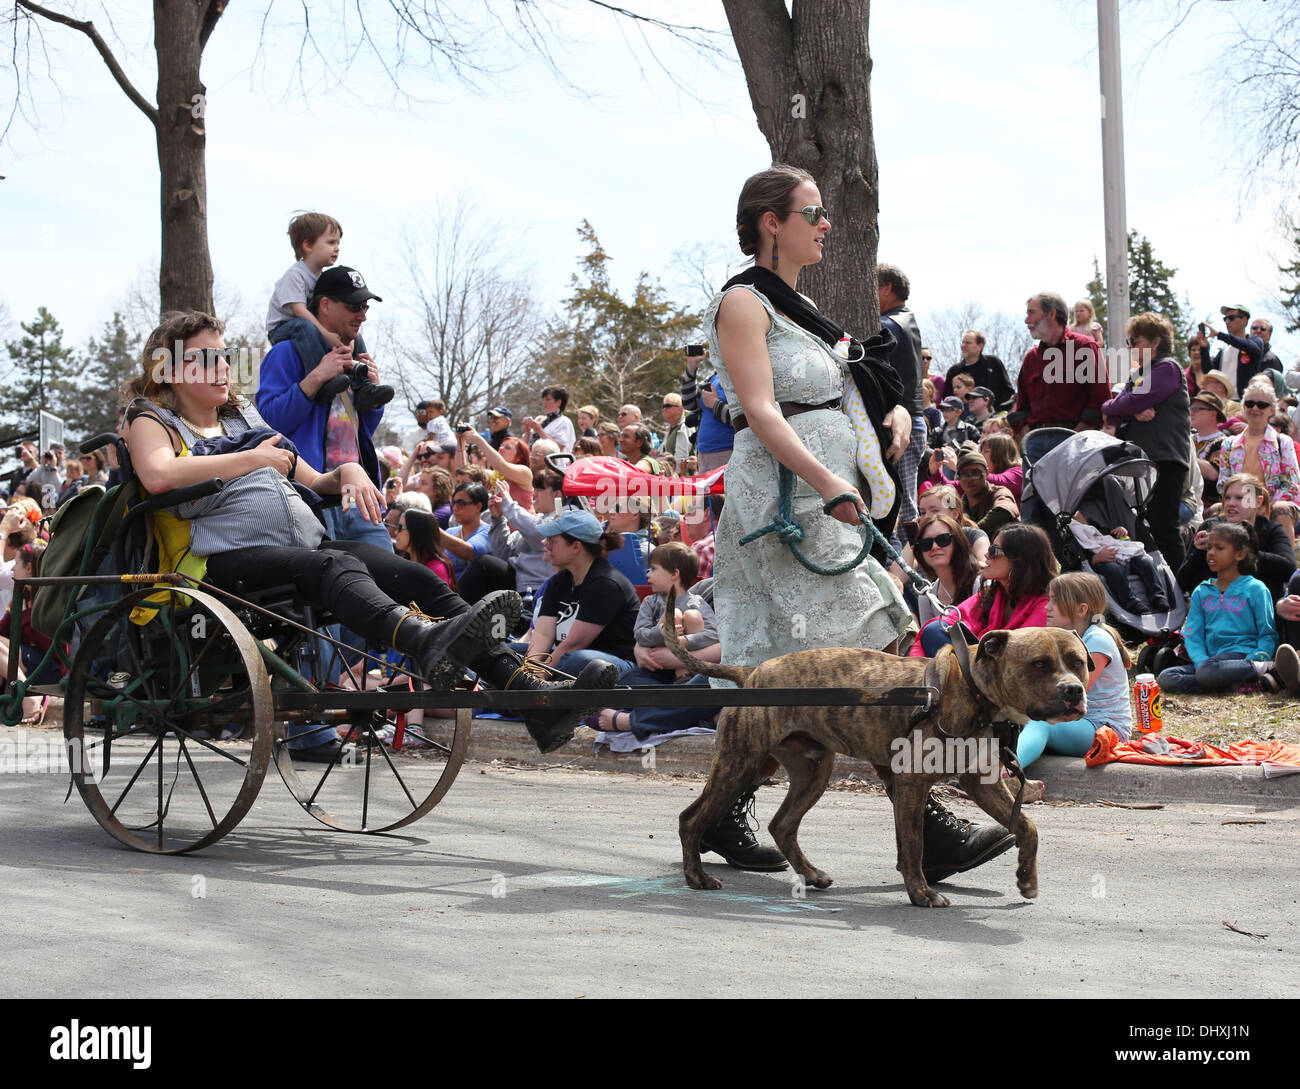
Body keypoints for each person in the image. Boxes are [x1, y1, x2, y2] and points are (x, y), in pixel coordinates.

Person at [127, 310, 615, 757]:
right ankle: (425, 643)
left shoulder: (242, 415)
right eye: (204, 359)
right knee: (335, 564)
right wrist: (255, 458)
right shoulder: (150, 417)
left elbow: (315, 480)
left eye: (225, 357)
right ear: (168, 369)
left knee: (416, 579)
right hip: (219, 562)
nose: (222, 368)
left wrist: (349, 473)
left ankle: (532, 697)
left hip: (296, 548)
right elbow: (158, 475)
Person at [709, 163, 1010, 881]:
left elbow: (849, 389)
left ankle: (728, 803)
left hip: (831, 502)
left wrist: (897, 410)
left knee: (851, 650)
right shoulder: (743, 303)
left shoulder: (805, 313)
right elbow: (761, 410)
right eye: (811, 213)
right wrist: (825, 481)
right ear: (769, 222)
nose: (826, 225)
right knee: (864, 647)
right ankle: (928, 823)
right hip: (781, 505)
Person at [256, 265, 393, 550]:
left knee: (393, 582)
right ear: (326, 305)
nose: (362, 315)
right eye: (354, 306)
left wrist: (373, 397)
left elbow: (361, 431)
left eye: (365, 307)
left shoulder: (354, 356)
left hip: (360, 498)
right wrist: (316, 377)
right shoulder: (286, 352)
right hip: (310, 500)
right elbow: (266, 423)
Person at [1101, 311, 1190, 570]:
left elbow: (1123, 402)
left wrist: (1128, 405)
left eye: (1135, 341)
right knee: (1143, 529)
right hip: (1142, 462)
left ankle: (1182, 590)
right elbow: (1113, 411)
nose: (1129, 347)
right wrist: (1129, 407)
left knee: (1164, 527)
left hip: (1165, 459)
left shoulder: (1167, 368)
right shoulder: (1138, 375)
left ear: (1155, 343)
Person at [1018, 573, 1132, 769]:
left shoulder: (1097, 640)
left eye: (1055, 600)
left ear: (1081, 609)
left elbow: (1076, 692)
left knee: (1041, 725)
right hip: (1078, 721)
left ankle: (1004, 772)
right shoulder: (1072, 639)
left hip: (1104, 728)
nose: (1047, 607)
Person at [1158, 522, 1277, 694]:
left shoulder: (1256, 589)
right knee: (1167, 677)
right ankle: (1236, 686)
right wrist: (1200, 662)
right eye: (1209, 548)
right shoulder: (1201, 591)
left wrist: (1257, 657)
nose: (1211, 553)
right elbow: (1193, 634)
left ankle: (1266, 668)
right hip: (1211, 662)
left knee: (1208, 673)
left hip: (1244, 658)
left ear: (1240, 554)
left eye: (1220, 548)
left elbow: (1267, 633)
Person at [525, 509, 641, 680]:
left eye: (552, 540)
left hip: (617, 663)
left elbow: (574, 645)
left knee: (580, 660)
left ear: (576, 547)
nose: (545, 543)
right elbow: (543, 635)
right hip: (570, 657)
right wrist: (528, 672)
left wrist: (538, 679)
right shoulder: (559, 581)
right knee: (510, 653)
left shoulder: (606, 584)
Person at [912, 522, 1058, 657]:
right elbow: (944, 623)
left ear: (1018, 560)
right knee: (934, 630)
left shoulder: (1046, 605)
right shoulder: (993, 595)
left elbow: (1018, 652)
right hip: (981, 669)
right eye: (989, 549)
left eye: (994, 551)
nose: (987, 555)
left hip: (1013, 674)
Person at [1010, 291, 1109, 464]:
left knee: (1072, 492)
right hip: (1035, 443)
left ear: (1052, 314)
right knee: (1032, 492)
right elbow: (1022, 407)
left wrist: (1075, 437)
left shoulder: (1084, 347)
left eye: (1032, 313)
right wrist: (1027, 433)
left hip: (1076, 441)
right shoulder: (1031, 358)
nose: (1027, 320)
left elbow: (1101, 399)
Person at [1179, 474, 1297, 601]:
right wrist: (1199, 551)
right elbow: (1183, 582)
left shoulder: (1270, 529)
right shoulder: (1210, 527)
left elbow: (1288, 569)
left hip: (1256, 609)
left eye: (1239, 498)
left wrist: (1238, 550)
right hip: (1214, 610)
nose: (1231, 504)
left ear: (1258, 501)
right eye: (1227, 498)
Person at [877, 263, 928, 538]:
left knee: (901, 503)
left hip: (902, 424)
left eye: (874, 286)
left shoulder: (889, 325)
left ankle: (911, 568)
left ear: (887, 288)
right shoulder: (906, 320)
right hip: (912, 422)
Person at [265, 211, 344, 347]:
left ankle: (359, 365)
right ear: (308, 245)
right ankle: (319, 367)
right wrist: (326, 335)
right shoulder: (296, 274)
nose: (337, 248)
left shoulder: (324, 278)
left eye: (338, 243)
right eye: (331, 242)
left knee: (350, 334)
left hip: (308, 327)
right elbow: (299, 311)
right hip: (282, 329)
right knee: (304, 326)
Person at [1216, 377, 1300, 504]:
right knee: (1215, 511)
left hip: (1274, 507)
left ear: (1272, 409)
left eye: (1261, 405)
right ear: (1243, 407)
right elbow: (1223, 484)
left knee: (1282, 510)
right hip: (1239, 505)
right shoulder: (1229, 444)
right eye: (1249, 404)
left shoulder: (1283, 442)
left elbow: (1292, 485)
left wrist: (1263, 506)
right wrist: (1243, 503)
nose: (1255, 408)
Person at [908, 512, 983, 627]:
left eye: (943, 539)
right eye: (926, 543)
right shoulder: (926, 597)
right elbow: (929, 641)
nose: (934, 547)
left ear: (957, 542)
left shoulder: (980, 582)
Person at [1197, 304, 1267, 397]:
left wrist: (1219, 335)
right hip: (1223, 403)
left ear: (1244, 320)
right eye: (1225, 319)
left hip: (1245, 404)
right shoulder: (1224, 351)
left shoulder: (1255, 341)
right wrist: (1204, 349)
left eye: (1231, 318)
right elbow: (1209, 371)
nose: (1227, 322)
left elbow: (1252, 348)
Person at [947, 330, 1015, 410]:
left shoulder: (993, 363)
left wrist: (997, 412)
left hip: (995, 417)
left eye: (968, 343)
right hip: (964, 419)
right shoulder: (954, 371)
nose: (963, 345)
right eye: (963, 342)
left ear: (980, 346)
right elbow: (948, 399)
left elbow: (1007, 390)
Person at [389, 507, 456, 588]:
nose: (396, 532)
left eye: (400, 528)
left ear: (416, 531)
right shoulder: (406, 560)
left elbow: (427, 601)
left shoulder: (436, 570)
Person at [956, 450, 1018, 536]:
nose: (970, 479)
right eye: (964, 474)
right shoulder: (959, 506)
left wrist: (974, 534)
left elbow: (1005, 511)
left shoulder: (999, 492)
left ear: (987, 473)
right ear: (957, 478)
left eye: (976, 473)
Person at [442, 481, 492, 580]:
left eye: (461, 503)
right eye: (454, 502)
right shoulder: (449, 532)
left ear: (478, 506)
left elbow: (468, 552)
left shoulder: (489, 532)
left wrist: (433, 529)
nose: (455, 508)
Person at [521, 387, 576, 453]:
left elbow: (559, 447)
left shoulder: (564, 422)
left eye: (548, 399)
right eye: (543, 399)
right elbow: (523, 446)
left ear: (558, 402)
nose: (544, 402)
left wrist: (539, 430)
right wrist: (527, 431)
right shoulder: (539, 419)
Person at [979, 432, 1023, 505]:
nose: (980, 455)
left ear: (1001, 455)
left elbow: (1000, 482)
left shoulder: (1019, 471)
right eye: (981, 451)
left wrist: (965, 468)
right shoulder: (989, 475)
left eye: (986, 451)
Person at [661, 393, 691, 465]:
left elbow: (681, 458)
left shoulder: (685, 427)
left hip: (682, 474)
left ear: (680, 410)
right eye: (663, 406)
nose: (664, 409)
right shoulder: (669, 428)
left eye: (668, 406)